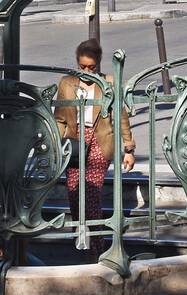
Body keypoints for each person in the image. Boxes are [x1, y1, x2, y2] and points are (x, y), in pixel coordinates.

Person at [55, 38, 135, 256]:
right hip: (75, 140)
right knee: (74, 194)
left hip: (100, 140)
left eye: (91, 67)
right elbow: (60, 117)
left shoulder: (109, 82)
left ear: (98, 64)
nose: (87, 71)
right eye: (82, 67)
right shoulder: (67, 83)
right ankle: (83, 241)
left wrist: (128, 148)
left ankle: (96, 249)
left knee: (90, 194)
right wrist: (57, 142)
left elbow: (121, 116)